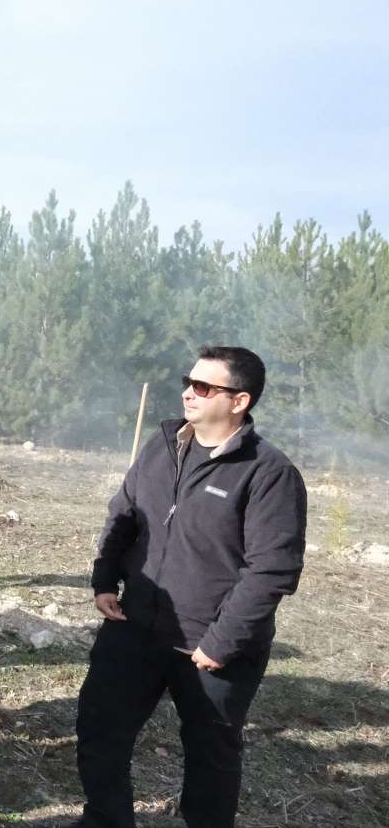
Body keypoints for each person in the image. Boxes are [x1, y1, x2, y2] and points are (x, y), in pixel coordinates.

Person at [70, 346, 307, 828]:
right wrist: (105, 578)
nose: (187, 393)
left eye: (202, 386)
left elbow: (272, 571)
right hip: (135, 624)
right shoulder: (162, 445)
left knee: (210, 755)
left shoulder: (269, 473)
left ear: (239, 400)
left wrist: (221, 642)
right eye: (187, 382)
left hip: (211, 646)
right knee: (99, 730)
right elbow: (124, 513)